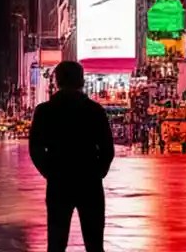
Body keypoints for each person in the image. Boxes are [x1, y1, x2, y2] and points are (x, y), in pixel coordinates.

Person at [29, 61, 114, 252]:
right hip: (89, 182)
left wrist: (50, 172)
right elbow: (107, 149)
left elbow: (35, 149)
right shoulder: (95, 110)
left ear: (57, 81)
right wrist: (97, 173)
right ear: (81, 81)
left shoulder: (45, 111)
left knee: (56, 244)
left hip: (59, 183)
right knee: (94, 244)